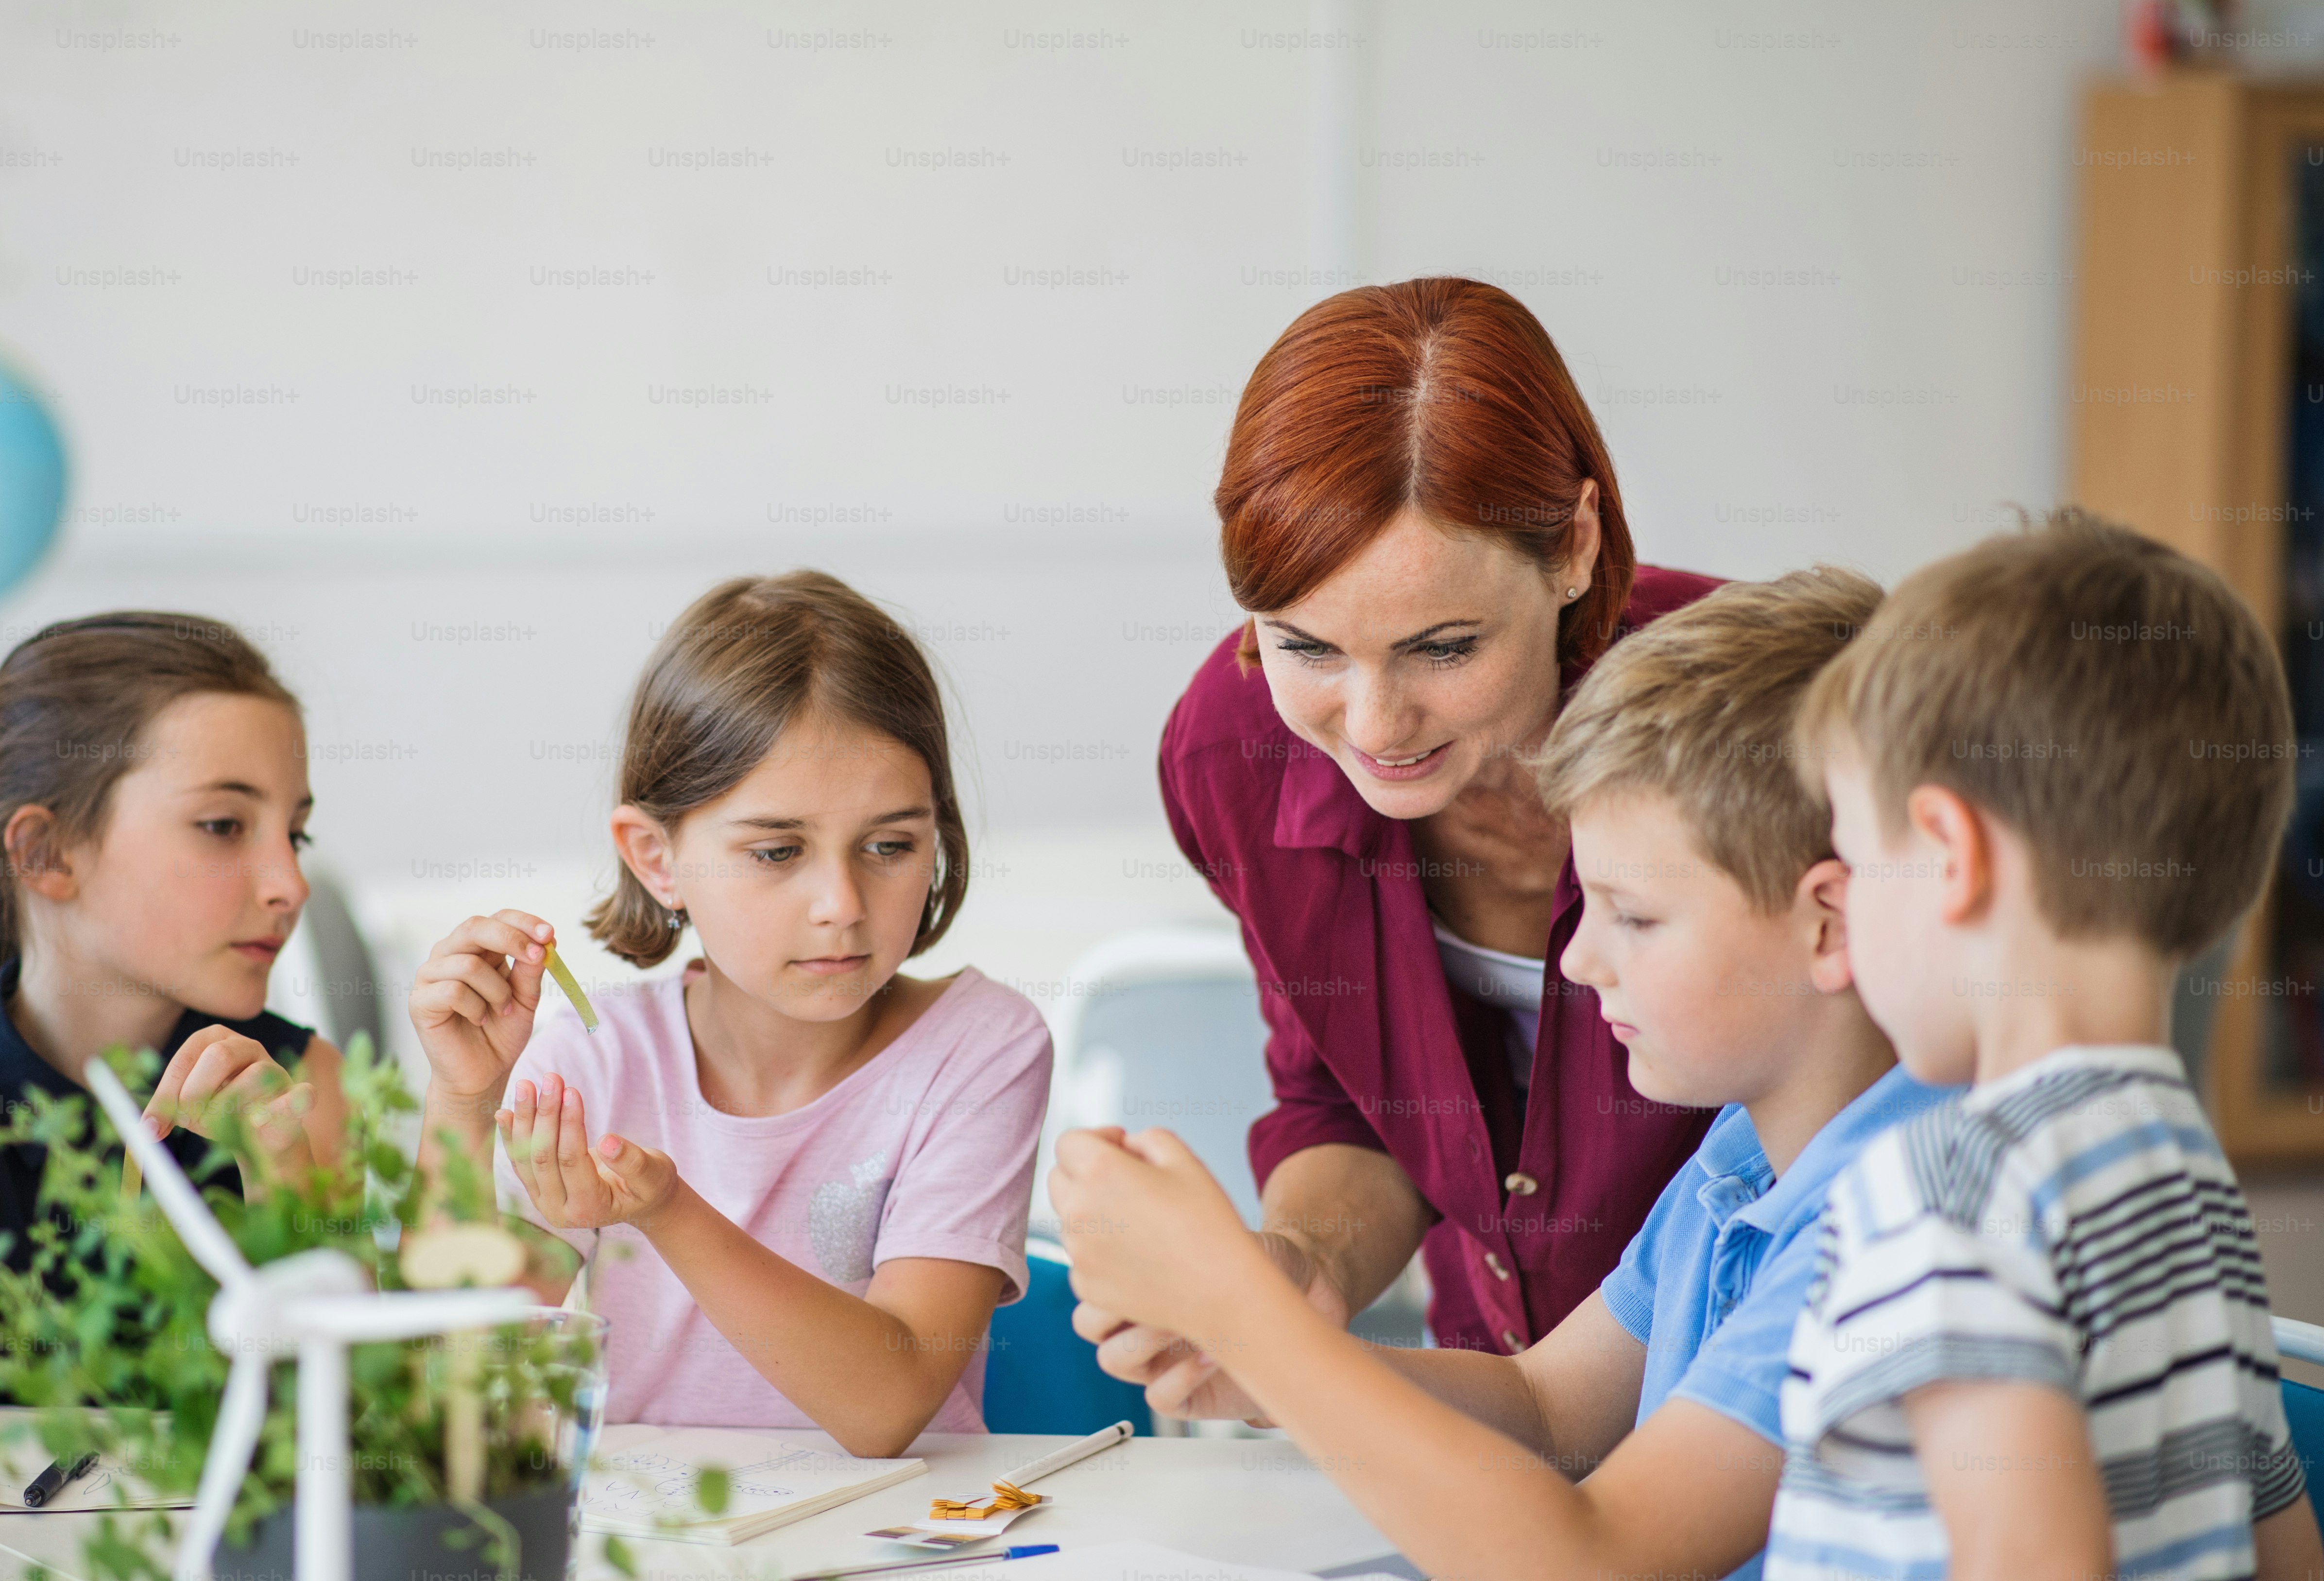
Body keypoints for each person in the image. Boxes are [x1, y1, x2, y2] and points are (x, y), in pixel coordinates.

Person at [1058, 568, 1946, 1581]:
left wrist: (1250, 1323)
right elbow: (1544, 1407)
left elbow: (1597, 1557)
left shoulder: (1899, 1214)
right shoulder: (1739, 1158)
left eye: (1635, 917)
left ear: (1826, 922)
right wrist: (1263, 1376)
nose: (1574, 961)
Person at [1129, 277, 1718, 1389]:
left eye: (1442, 647)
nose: (1374, 725)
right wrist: (1297, 1273)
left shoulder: (1782, 718)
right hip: (1495, 1423)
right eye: (1306, 646)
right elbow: (1347, 1105)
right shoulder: (1231, 755)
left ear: (1575, 547)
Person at [1766, 512, 2324, 1581]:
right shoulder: (2192, 1181)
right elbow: (2283, 1544)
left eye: (1849, 854)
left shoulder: (1942, 1186)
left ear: (1947, 851)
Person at [410, 571, 1050, 1457]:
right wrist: (460, 1101)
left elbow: (886, 1403)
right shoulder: (594, 1058)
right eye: (778, 850)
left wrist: (667, 1208)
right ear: (656, 858)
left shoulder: (982, 1046)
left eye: (891, 845)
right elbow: (451, 1397)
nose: (842, 903)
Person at [0, 612, 347, 1275]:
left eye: (296, 835)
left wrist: (282, 1175)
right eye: (223, 824)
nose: (291, 885)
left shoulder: (301, 1087)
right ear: (46, 853)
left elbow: (342, 1375)